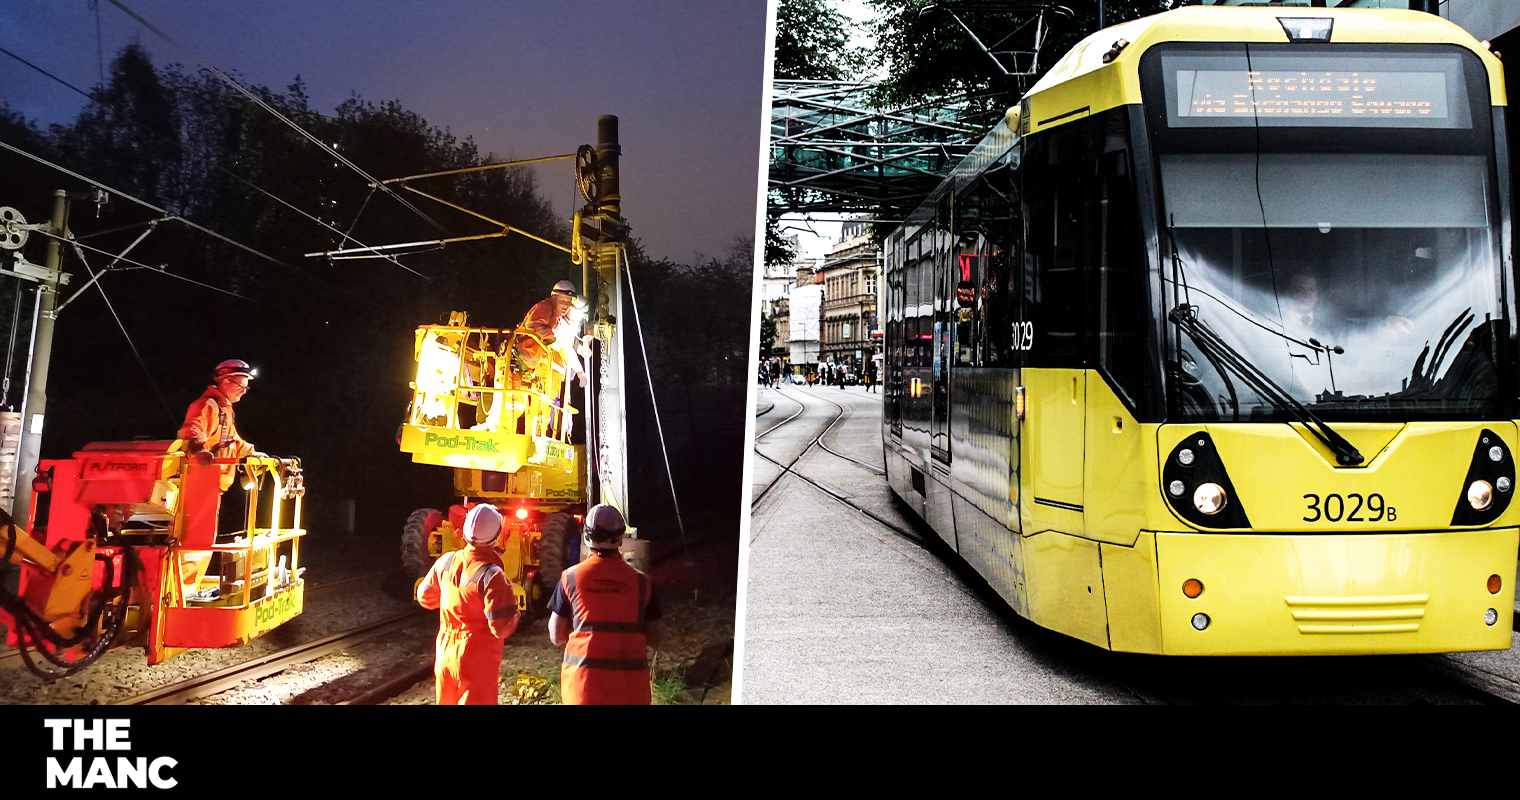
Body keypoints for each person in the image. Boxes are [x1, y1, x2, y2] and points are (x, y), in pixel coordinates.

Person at [547, 504, 664, 705]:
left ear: (588, 536)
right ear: (620, 538)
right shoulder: (642, 583)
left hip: (583, 691)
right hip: (630, 693)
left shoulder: (570, 578)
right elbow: (657, 639)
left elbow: (556, 636)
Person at [416, 504, 520, 705]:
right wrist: (515, 616)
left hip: (445, 653)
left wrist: (455, 603)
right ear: (497, 534)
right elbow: (501, 626)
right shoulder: (493, 576)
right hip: (476, 659)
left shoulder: (445, 562)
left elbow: (424, 597)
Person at [179, 359, 258, 493]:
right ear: (226, 382)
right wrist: (199, 450)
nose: (244, 392)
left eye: (246, 388)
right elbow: (193, 429)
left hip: (213, 484)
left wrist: (253, 453)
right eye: (242, 387)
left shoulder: (224, 409)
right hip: (200, 483)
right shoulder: (207, 406)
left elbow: (232, 441)